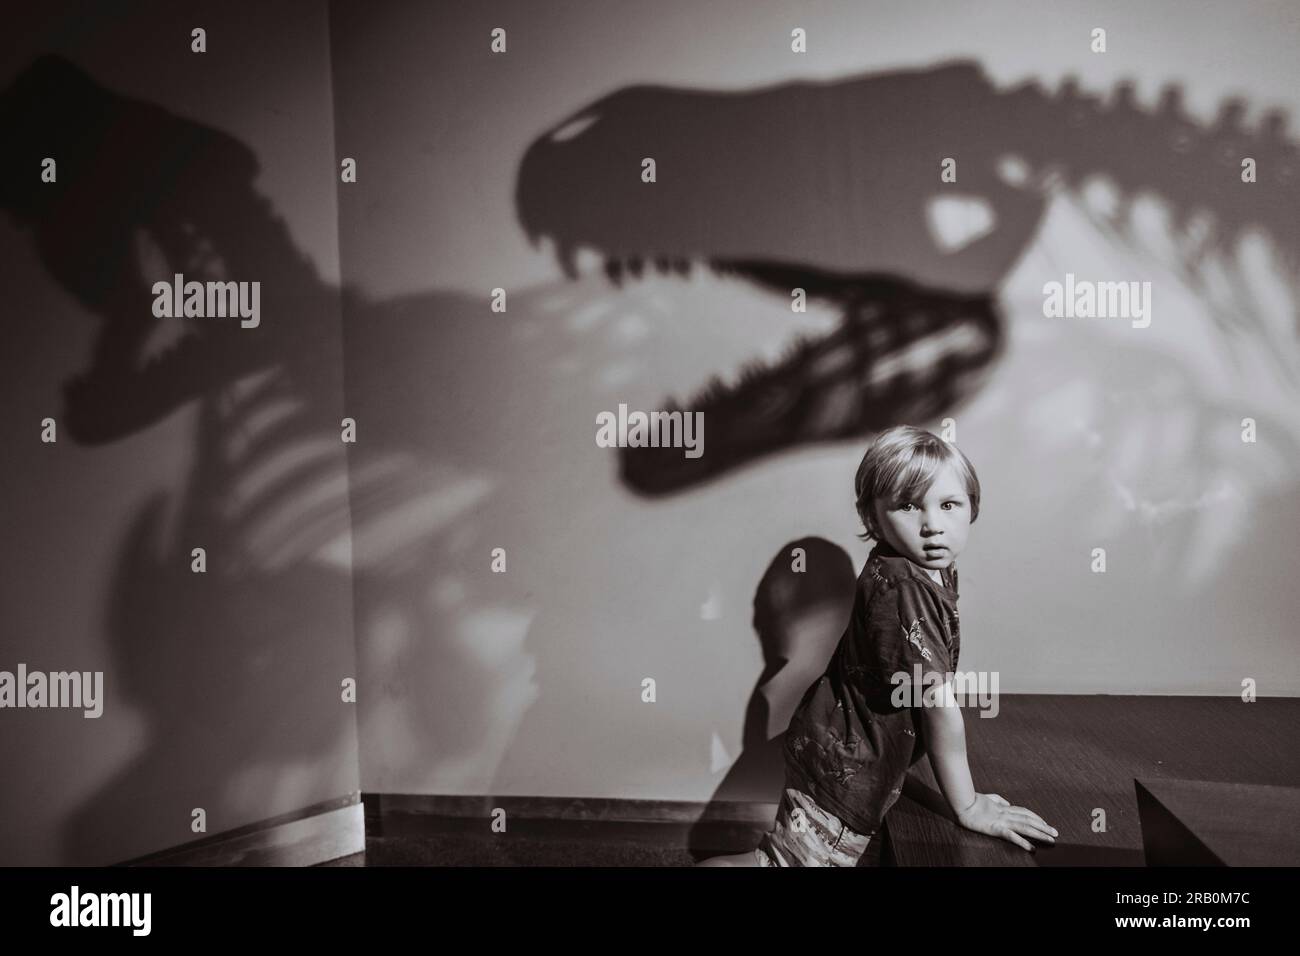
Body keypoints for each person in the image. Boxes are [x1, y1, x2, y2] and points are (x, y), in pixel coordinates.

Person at [697, 424, 1056, 865]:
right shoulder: (907, 586)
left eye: (948, 505)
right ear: (872, 518)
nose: (932, 526)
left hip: (833, 742)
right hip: (847, 769)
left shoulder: (923, 566)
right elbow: (938, 705)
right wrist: (968, 805)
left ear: (972, 507)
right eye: (908, 506)